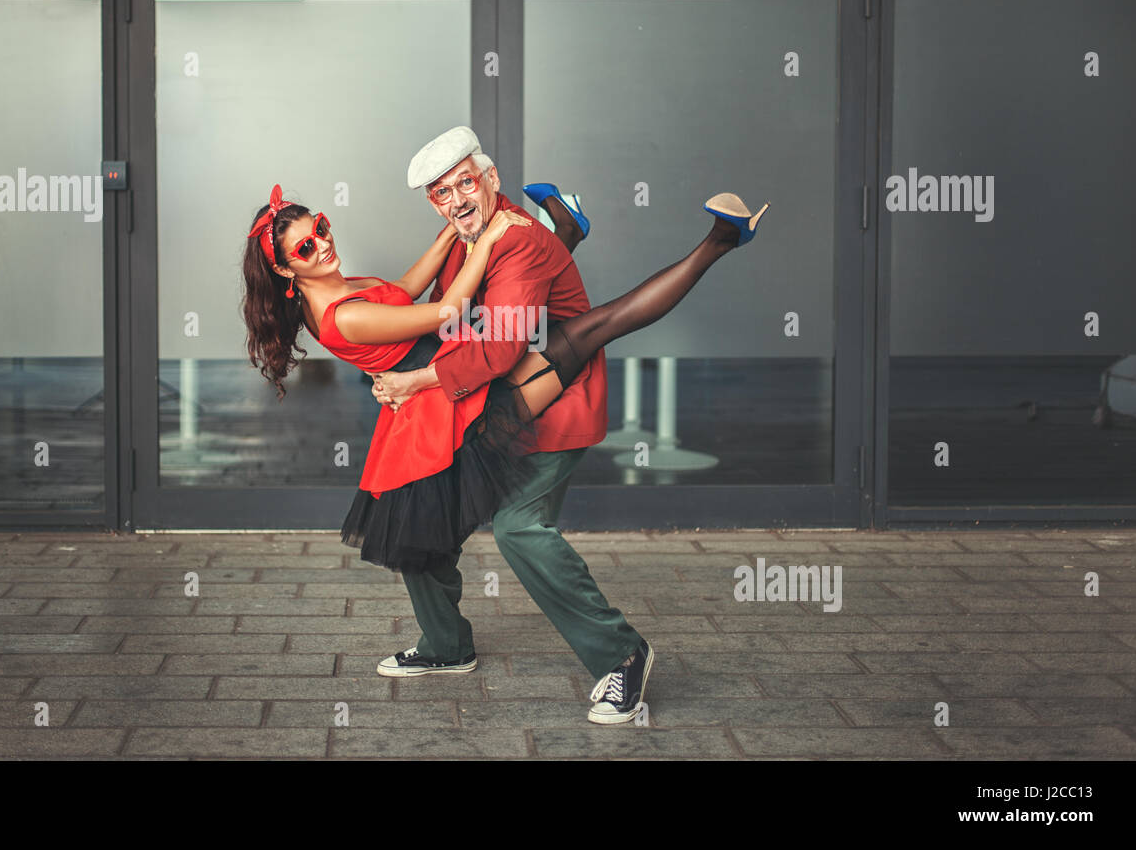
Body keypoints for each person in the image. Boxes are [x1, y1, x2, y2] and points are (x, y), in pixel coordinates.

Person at [241, 126, 768, 723]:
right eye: (306, 249)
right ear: (287, 271)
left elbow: (460, 323)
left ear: (488, 178)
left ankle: (622, 656)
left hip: (492, 385)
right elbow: (441, 310)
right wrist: (475, 240)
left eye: (321, 232)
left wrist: (415, 374)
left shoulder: (490, 243)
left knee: (583, 357)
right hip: (456, 386)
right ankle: (446, 647)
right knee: (417, 518)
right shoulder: (354, 301)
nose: (322, 246)